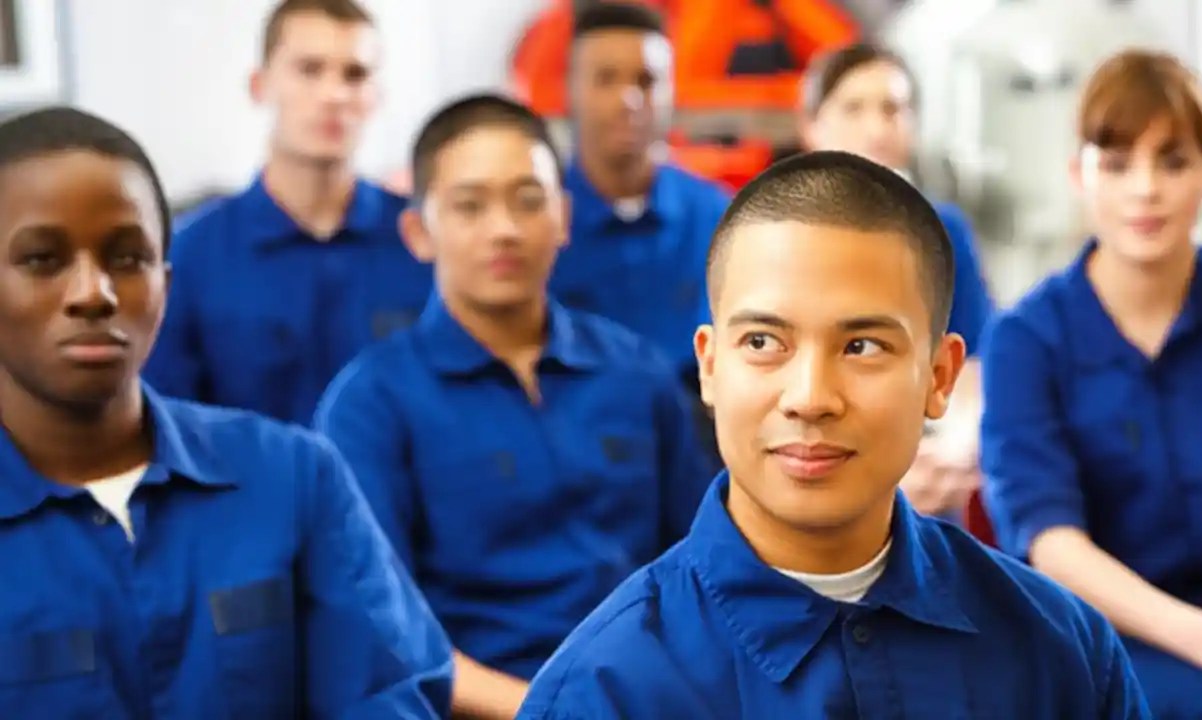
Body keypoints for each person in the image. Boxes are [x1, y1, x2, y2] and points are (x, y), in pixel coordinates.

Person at [515, 150, 1151, 718]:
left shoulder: (1062, 656)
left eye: (862, 345)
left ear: (939, 375)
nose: (811, 398)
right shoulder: (604, 693)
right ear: (710, 367)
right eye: (763, 342)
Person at [0, 106, 453, 718]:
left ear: (165, 279)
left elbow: (390, 695)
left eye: (127, 258)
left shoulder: (292, 477)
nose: (93, 293)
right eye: (42, 260)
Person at [315, 93, 712, 720]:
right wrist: (553, 710)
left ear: (563, 216)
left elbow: (703, 569)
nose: (503, 227)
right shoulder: (370, 405)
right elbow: (387, 639)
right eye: (469, 205)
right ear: (419, 231)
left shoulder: (637, 373)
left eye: (528, 199)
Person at [980, 49, 1202, 718]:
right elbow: (1049, 539)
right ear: (1078, 175)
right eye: (1116, 165)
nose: (1145, 189)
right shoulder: (1027, 340)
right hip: (1084, 635)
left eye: (1172, 161)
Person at [144, 0, 434, 425]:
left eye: (355, 75)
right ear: (260, 85)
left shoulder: (421, 241)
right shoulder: (192, 255)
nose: (334, 95)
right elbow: (166, 430)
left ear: (376, 96)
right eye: (310, 70)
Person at [800, 42, 995, 518]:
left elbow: (973, 363)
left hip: (925, 477)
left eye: (893, 109)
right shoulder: (777, 238)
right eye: (853, 108)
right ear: (812, 127)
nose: (876, 127)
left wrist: (952, 452)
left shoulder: (945, 233)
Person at [552, 1, 730, 390]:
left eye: (646, 80)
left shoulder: (720, 220)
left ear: (672, 90)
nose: (628, 99)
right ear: (570, 89)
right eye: (606, 78)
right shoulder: (537, 226)